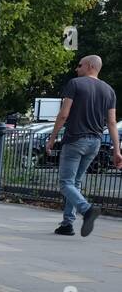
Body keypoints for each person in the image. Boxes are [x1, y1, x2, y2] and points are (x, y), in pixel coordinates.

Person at [47, 54, 121, 237]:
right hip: (95, 143)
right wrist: (117, 150)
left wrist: (52, 138)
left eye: (79, 65)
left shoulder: (75, 84)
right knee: (75, 182)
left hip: (75, 140)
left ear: (89, 66)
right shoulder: (109, 90)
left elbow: (64, 114)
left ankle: (87, 209)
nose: (76, 69)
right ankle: (67, 224)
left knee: (65, 183)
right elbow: (112, 123)